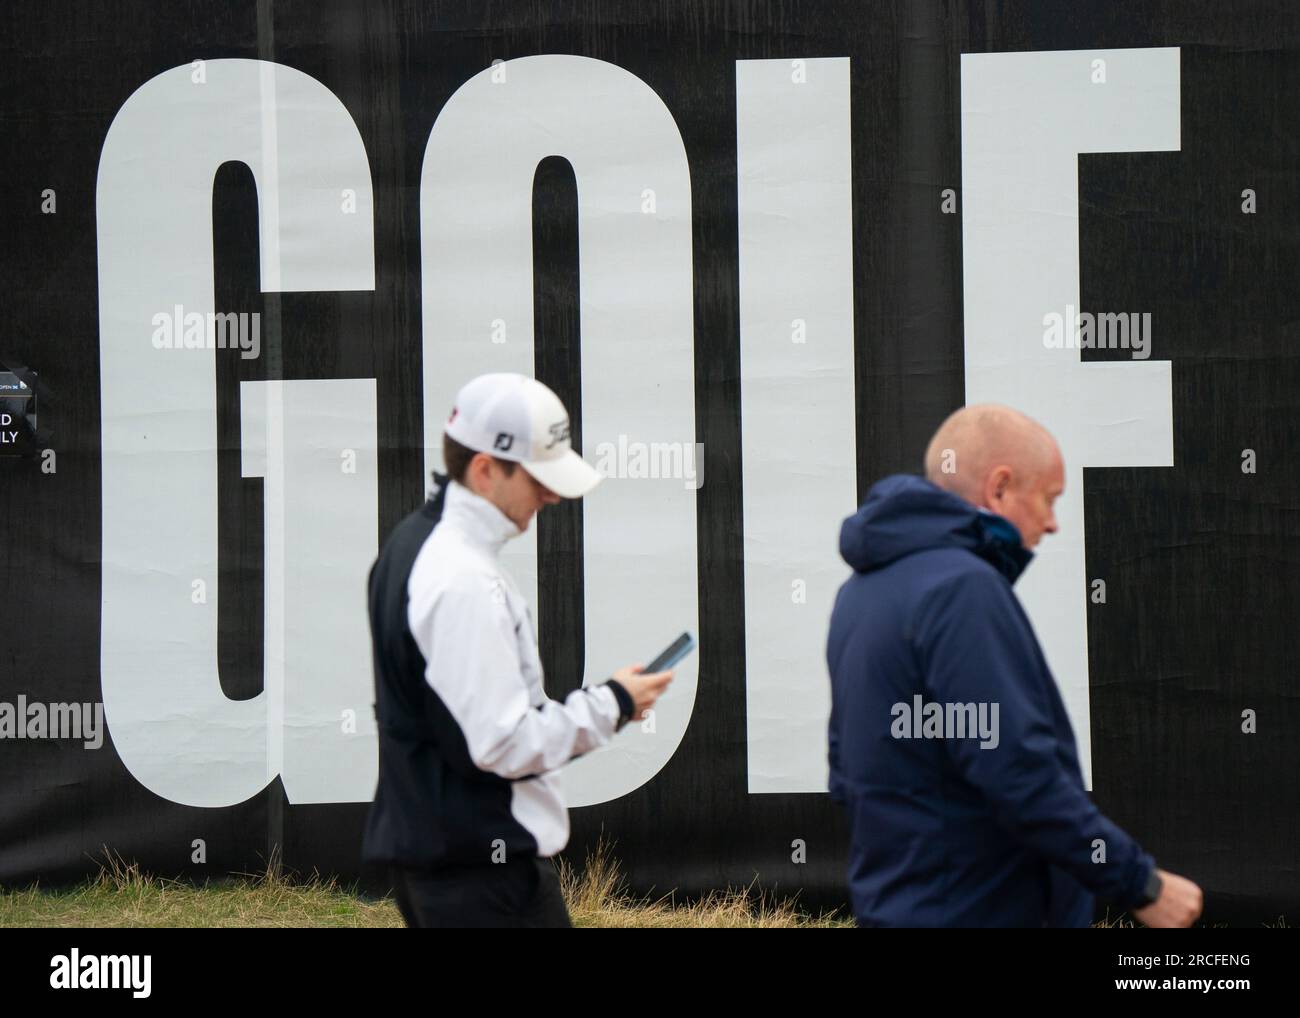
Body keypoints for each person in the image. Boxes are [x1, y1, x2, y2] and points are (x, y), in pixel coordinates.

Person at [826, 403, 1203, 927]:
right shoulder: (964, 589)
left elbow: (845, 770)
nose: (1051, 524)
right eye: (1048, 499)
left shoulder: (859, 593)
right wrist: (1141, 883)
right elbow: (1016, 771)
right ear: (999, 488)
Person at [362, 372, 674, 927]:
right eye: (538, 478)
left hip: (454, 864)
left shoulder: (414, 544)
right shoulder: (462, 579)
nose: (552, 495)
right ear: (485, 470)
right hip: (482, 876)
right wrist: (615, 703)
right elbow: (503, 741)